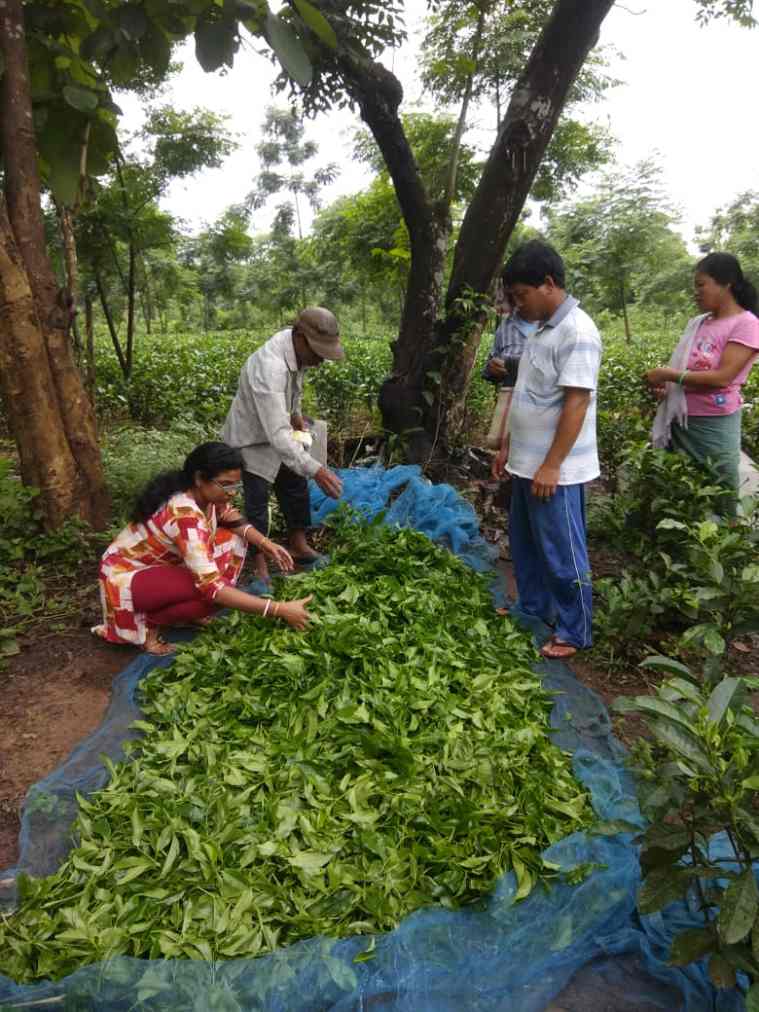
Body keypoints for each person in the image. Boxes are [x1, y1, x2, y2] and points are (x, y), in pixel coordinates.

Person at [92, 442, 313, 655]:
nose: (232, 492)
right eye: (226, 484)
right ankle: (150, 624)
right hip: (124, 576)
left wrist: (265, 543)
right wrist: (279, 609)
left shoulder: (206, 497)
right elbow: (213, 587)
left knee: (232, 541)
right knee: (212, 593)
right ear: (199, 478)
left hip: (160, 568)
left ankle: (182, 613)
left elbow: (228, 515)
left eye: (236, 485)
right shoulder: (184, 513)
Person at [494, 240, 602, 660]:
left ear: (549, 284)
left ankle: (575, 630)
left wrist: (552, 465)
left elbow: (576, 402)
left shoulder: (578, 331)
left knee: (562, 549)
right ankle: (534, 607)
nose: (517, 306)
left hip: (555, 470)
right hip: (526, 462)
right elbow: (525, 392)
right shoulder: (542, 328)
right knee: (525, 543)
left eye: (521, 296)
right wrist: (506, 446)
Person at [222, 307, 345, 582]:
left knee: (295, 486)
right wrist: (318, 469)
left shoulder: (295, 352)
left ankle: (298, 545)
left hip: (280, 431)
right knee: (257, 501)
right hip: (252, 440)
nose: (320, 360)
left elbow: (294, 390)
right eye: (318, 353)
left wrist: (296, 414)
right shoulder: (270, 367)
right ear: (300, 337)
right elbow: (277, 434)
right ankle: (259, 567)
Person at [645, 252, 759, 513]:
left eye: (700, 284)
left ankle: (724, 550)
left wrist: (668, 375)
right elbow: (687, 368)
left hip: (714, 421)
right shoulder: (700, 323)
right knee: (684, 493)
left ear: (726, 284)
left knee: (720, 489)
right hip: (682, 420)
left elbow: (722, 377)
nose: (695, 292)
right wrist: (667, 388)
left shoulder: (746, 324)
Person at [482, 283, 539, 478]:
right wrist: (492, 367)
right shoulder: (505, 329)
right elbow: (490, 365)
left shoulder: (552, 326)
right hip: (512, 411)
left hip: (541, 414)